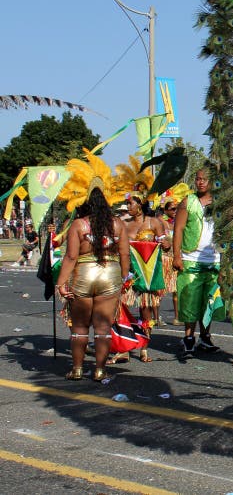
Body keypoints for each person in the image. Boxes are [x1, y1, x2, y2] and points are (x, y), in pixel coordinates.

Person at [54, 154, 130, 381]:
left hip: (84, 274)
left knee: (79, 326)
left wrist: (61, 283)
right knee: (103, 327)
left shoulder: (78, 224)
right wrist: (124, 278)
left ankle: (77, 369)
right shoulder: (118, 224)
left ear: (86, 202)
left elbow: (71, 256)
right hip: (110, 272)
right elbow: (125, 254)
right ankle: (100, 370)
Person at [110, 192, 169, 363]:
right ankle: (124, 348)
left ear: (140, 205)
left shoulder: (154, 222)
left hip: (146, 274)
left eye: (131, 203)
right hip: (128, 273)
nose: (128, 207)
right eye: (127, 204)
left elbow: (166, 244)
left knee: (146, 310)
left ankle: (144, 349)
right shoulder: (124, 224)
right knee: (119, 307)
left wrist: (165, 244)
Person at [172, 168, 221, 358]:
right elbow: (178, 229)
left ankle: (205, 337)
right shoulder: (188, 202)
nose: (200, 182)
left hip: (214, 259)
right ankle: (189, 337)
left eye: (204, 179)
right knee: (190, 300)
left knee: (209, 301)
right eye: (198, 179)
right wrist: (177, 256)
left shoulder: (221, 202)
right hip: (191, 258)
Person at [160, 200, 181, 325]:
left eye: (177, 209)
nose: (175, 211)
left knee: (176, 289)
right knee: (160, 289)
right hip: (164, 259)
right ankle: (157, 317)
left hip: (176, 259)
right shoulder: (161, 223)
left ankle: (177, 318)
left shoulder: (179, 223)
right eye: (172, 209)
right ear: (165, 210)